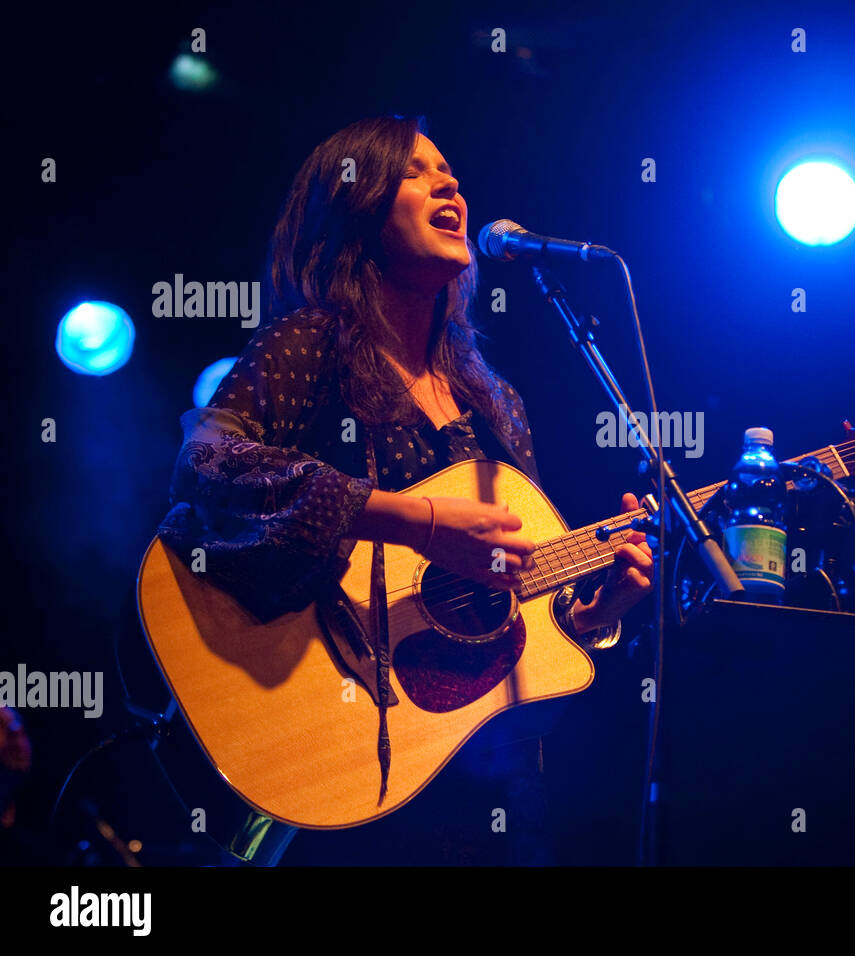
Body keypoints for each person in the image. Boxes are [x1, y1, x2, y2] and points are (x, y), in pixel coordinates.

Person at [156, 115, 654, 864]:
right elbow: (208, 462)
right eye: (417, 172)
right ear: (355, 209)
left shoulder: (497, 403)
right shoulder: (312, 342)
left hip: (488, 783)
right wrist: (415, 523)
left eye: (450, 170)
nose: (450, 183)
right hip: (349, 766)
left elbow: (508, 613)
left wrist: (595, 613)